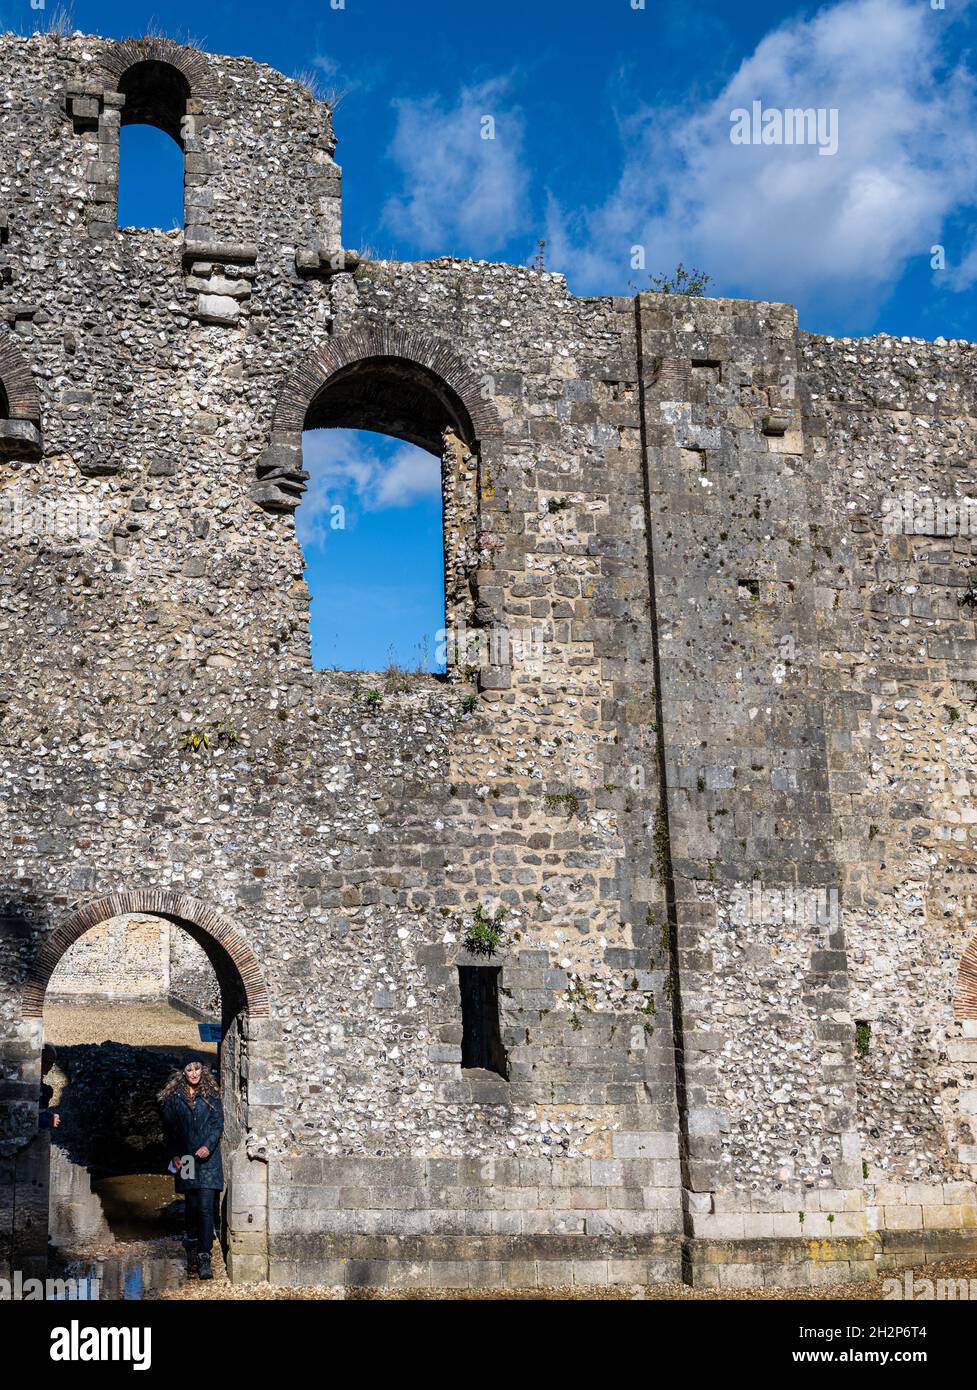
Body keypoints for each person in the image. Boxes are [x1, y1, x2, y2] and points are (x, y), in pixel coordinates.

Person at [158, 1058, 224, 1280]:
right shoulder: (174, 1098)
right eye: (189, 1069)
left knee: (206, 1206)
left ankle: (205, 1256)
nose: (194, 1073)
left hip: (208, 1159)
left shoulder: (212, 1094)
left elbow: (218, 1123)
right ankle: (193, 1248)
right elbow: (169, 1130)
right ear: (183, 1072)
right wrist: (174, 1154)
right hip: (185, 1158)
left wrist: (208, 1145)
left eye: (197, 1068)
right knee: (192, 1207)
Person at [39, 1044, 61, 1129]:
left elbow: (39, 1112)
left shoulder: (45, 1089)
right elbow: (28, 1117)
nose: (50, 1067)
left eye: (52, 1063)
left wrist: (50, 1116)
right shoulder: (28, 1086)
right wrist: (48, 1121)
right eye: (47, 1062)